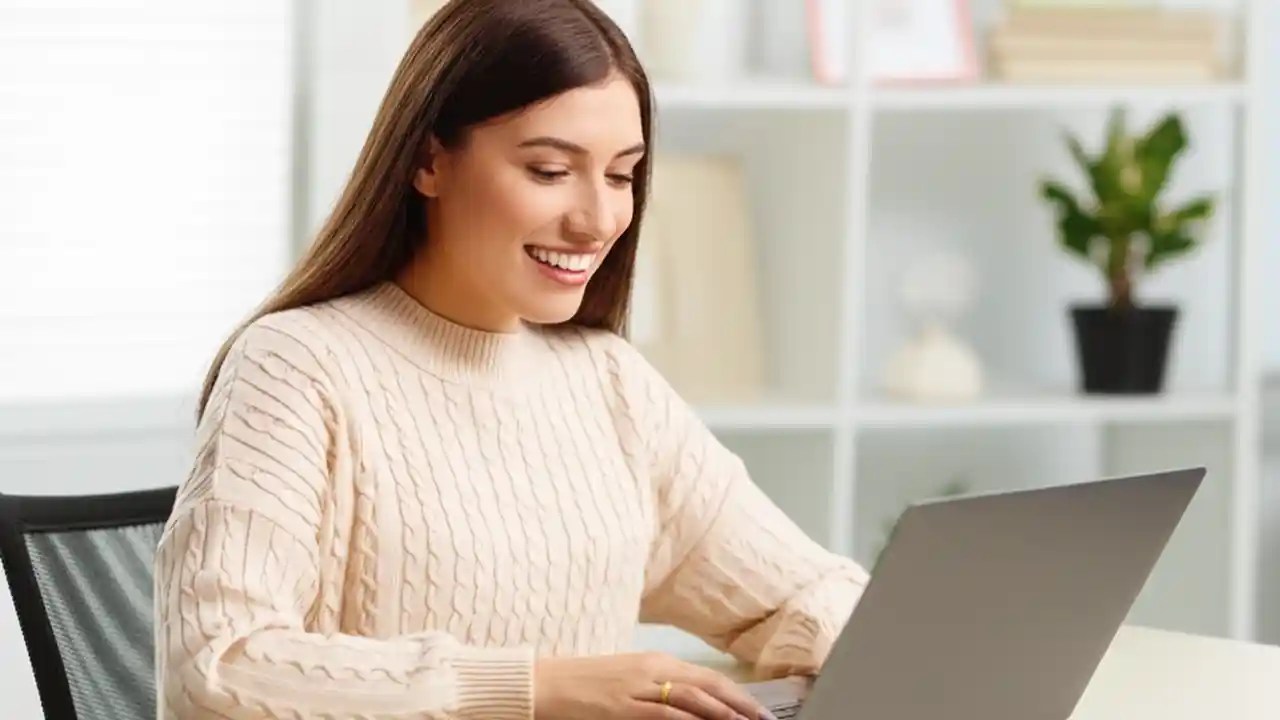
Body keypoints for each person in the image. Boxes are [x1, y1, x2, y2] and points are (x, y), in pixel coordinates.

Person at [153, 0, 870, 717]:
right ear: (429, 161)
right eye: (552, 170)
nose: (596, 221)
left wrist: (874, 642)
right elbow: (219, 670)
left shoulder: (607, 381)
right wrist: (537, 689)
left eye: (621, 176)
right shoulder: (297, 367)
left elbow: (810, 593)